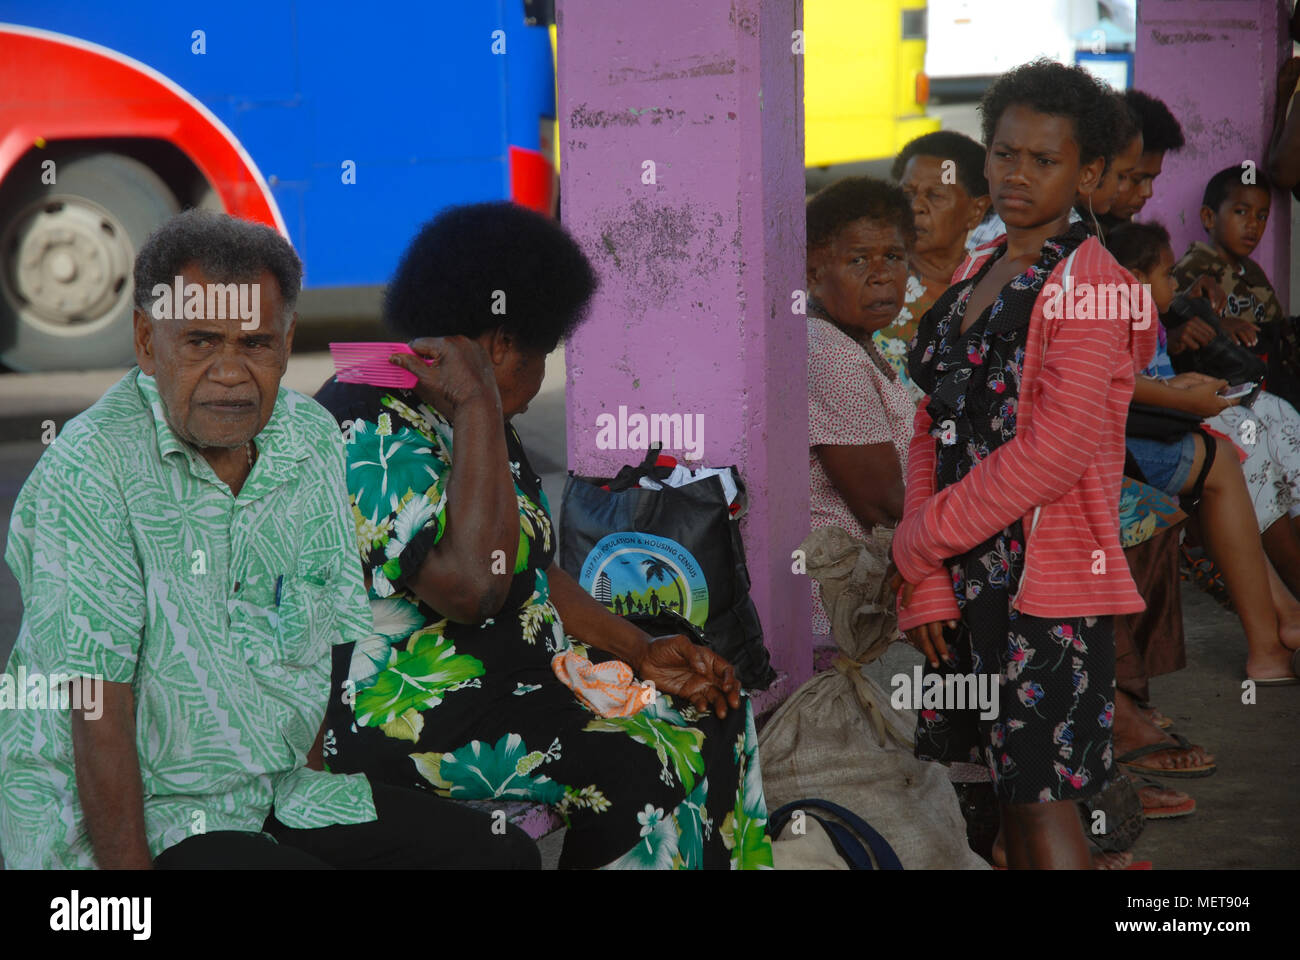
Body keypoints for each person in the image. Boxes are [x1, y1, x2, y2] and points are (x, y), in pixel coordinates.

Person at [0, 210, 538, 870]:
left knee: (498, 858)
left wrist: (303, 811)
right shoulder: (90, 470)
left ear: (287, 347)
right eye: (200, 342)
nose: (230, 371)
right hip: (130, 823)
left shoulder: (308, 438)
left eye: (254, 344)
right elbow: (96, 709)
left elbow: (308, 646)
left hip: (267, 793)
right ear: (146, 342)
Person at [314, 201, 773, 870]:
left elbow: (529, 569)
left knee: (714, 712)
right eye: (540, 356)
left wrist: (641, 649)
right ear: (500, 344)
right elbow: (472, 590)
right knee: (641, 764)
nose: (538, 386)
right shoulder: (366, 411)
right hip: (413, 711)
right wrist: (477, 407)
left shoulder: (480, 410)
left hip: (516, 685)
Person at [891, 60, 1156, 869]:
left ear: (1088, 173)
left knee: (1043, 812)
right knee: (995, 812)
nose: (1017, 175)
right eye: (1005, 153)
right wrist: (930, 572)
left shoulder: (1096, 285)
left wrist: (920, 543)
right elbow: (925, 423)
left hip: (1042, 591)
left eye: (1045, 161)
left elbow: (1053, 456)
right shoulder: (975, 271)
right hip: (959, 577)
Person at [1112, 220, 1300, 686]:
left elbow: (1144, 382)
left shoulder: (1140, 316)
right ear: (1134, 279)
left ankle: (1286, 615)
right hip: (1114, 444)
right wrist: (1181, 397)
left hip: (1126, 432)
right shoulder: (1118, 313)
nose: (1174, 285)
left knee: (1241, 438)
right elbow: (1119, 385)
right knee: (1220, 459)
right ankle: (1270, 645)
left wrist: (1182, 387)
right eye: (1167, 275)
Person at [805, 177, 917, 634]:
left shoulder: (849, 341)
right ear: (813, 272)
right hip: (843, 603)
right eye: (858, 260)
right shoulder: (828, 353)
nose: (881, 275)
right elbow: (884, 507)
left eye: (893, 257)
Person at [1171, 165, 1300, 410]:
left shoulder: (1254, 273)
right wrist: (1219, 326)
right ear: (1209, 217)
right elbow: (1173, 323)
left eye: (1262, 216)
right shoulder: (1194, 268)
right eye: (1242, 212)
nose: (1253, 224)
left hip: (1269, 380)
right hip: (1225, 388)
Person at [882, 132, 991, 398]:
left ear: (975, 211)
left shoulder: (994, 285)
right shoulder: (874, 282)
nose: (916, 206)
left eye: (935, 196)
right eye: (907, 193)